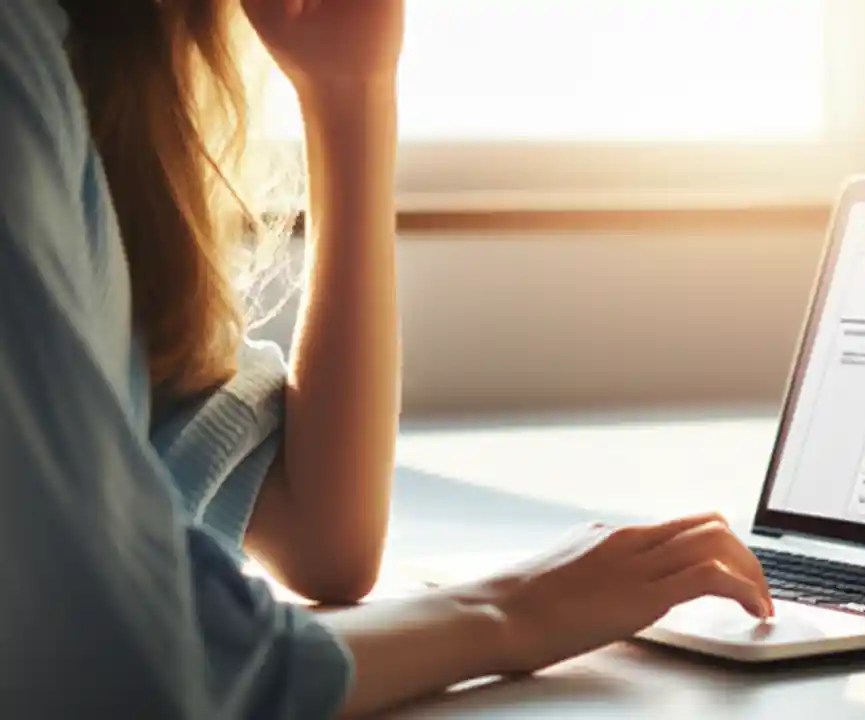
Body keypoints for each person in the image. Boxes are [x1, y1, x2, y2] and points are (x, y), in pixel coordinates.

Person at [0, 0, 774, 716]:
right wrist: (508, 612)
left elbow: (322, 536)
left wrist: (350, 89)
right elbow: (147, 668)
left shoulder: (94, 72)